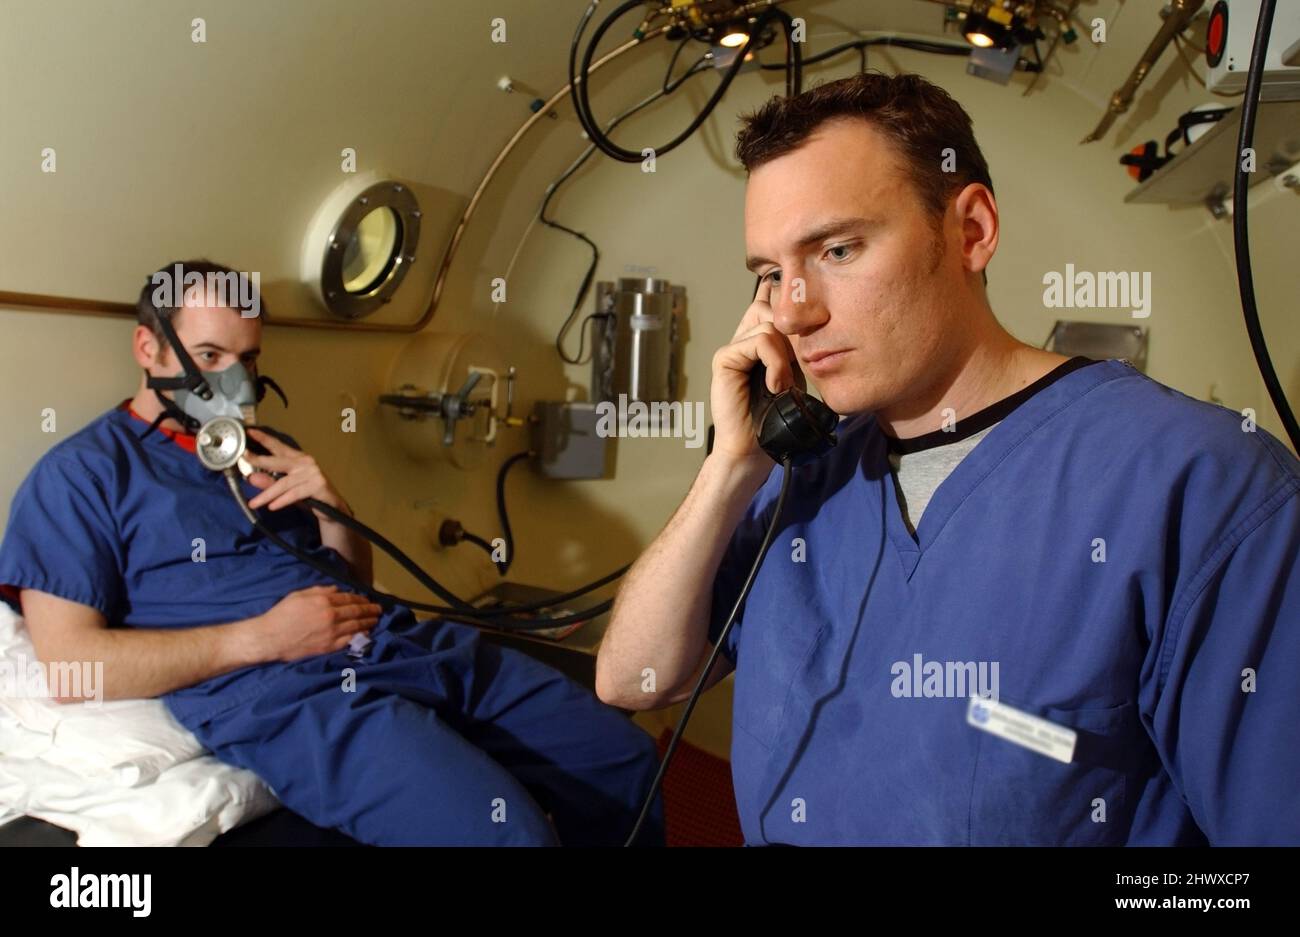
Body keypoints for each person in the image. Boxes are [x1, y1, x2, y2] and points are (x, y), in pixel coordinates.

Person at [596, 71, 1300, 845]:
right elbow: (635, 680)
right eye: (769, 274)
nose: (793, 307)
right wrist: (732, 462)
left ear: (970, 231)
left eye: (837, 247)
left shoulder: (1201, 484)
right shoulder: (800, 469)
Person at [0, 259, 663, 846]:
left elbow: (356, 583)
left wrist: (332, 507)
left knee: (624, 760)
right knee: (506, 834)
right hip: (288, 696)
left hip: (403, 644)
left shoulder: (264, 448)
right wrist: (262, 638)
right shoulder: (82, 474)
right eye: (207, 357)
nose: (233, 382)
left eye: (247, 359)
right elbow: (71, 664)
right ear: (148, 346)